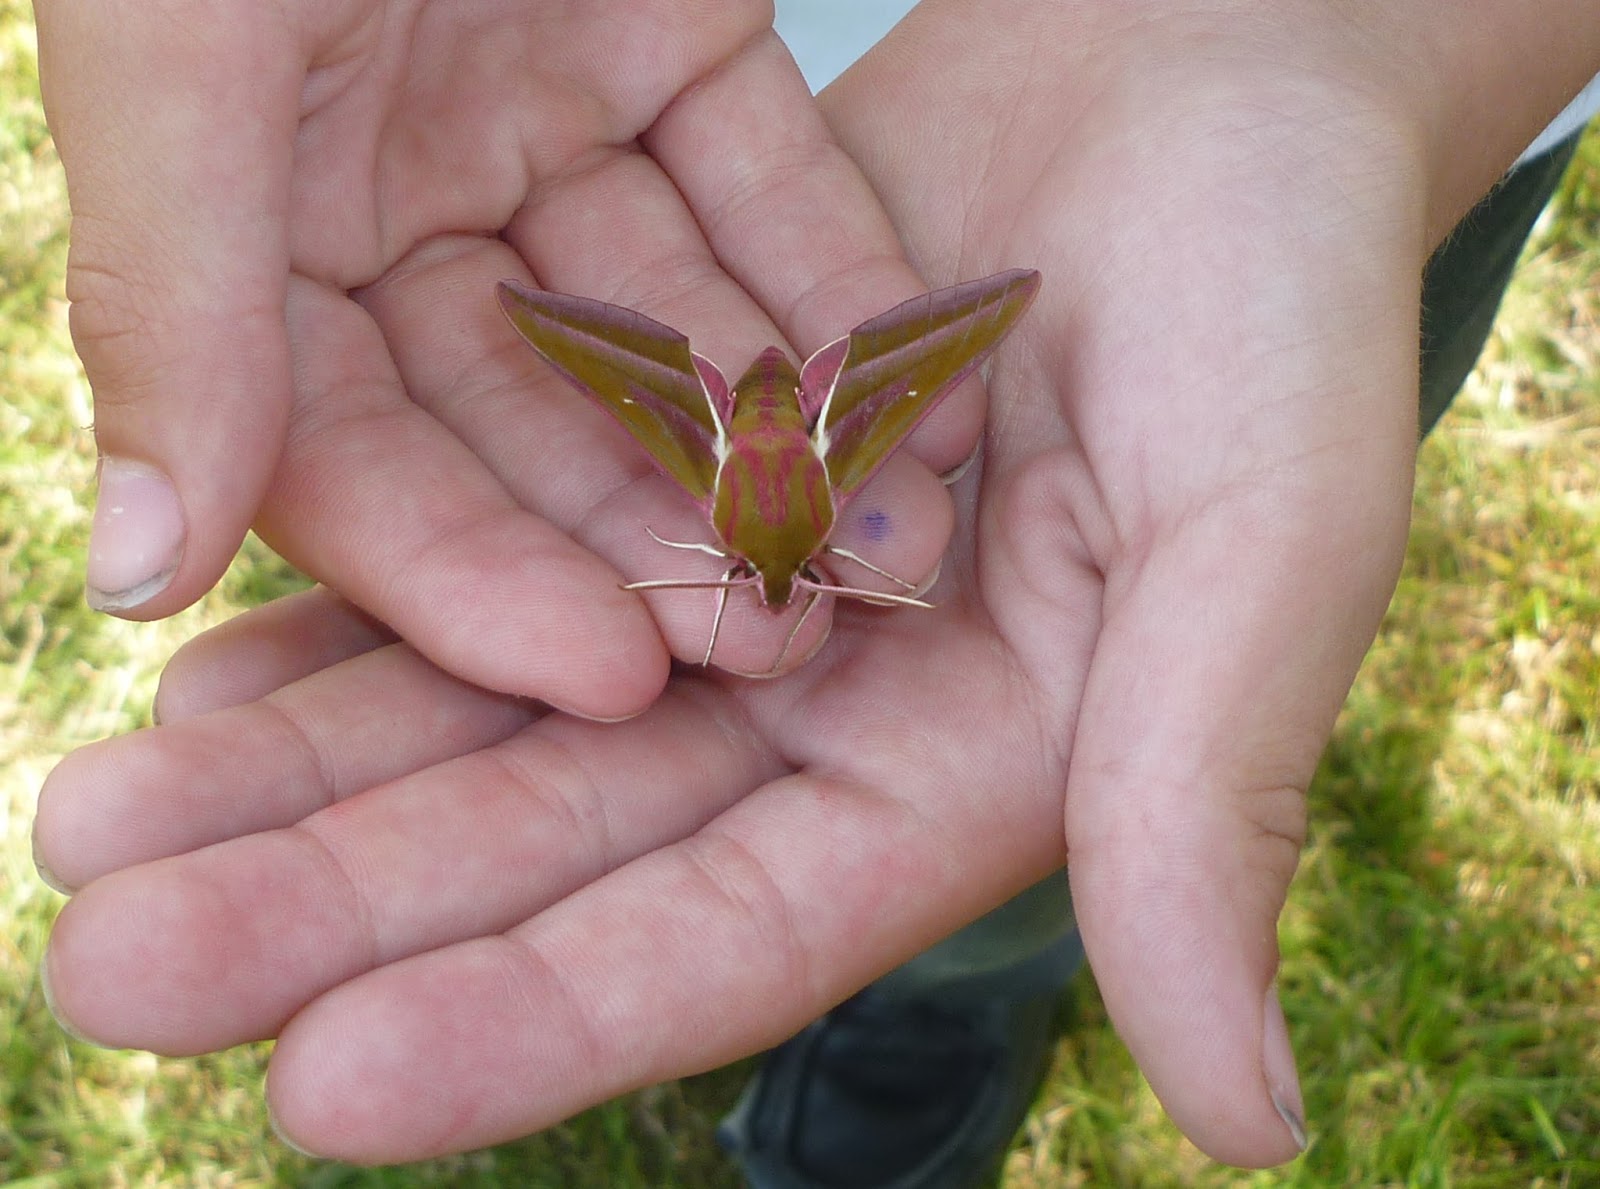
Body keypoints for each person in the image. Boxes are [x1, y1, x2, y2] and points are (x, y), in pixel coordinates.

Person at [29, 0, 1600, 1183]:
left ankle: (952, 1001)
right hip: (586, 151)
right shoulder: (767, 484)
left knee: (1044, 715)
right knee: (579, 597)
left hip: (1290, 72)